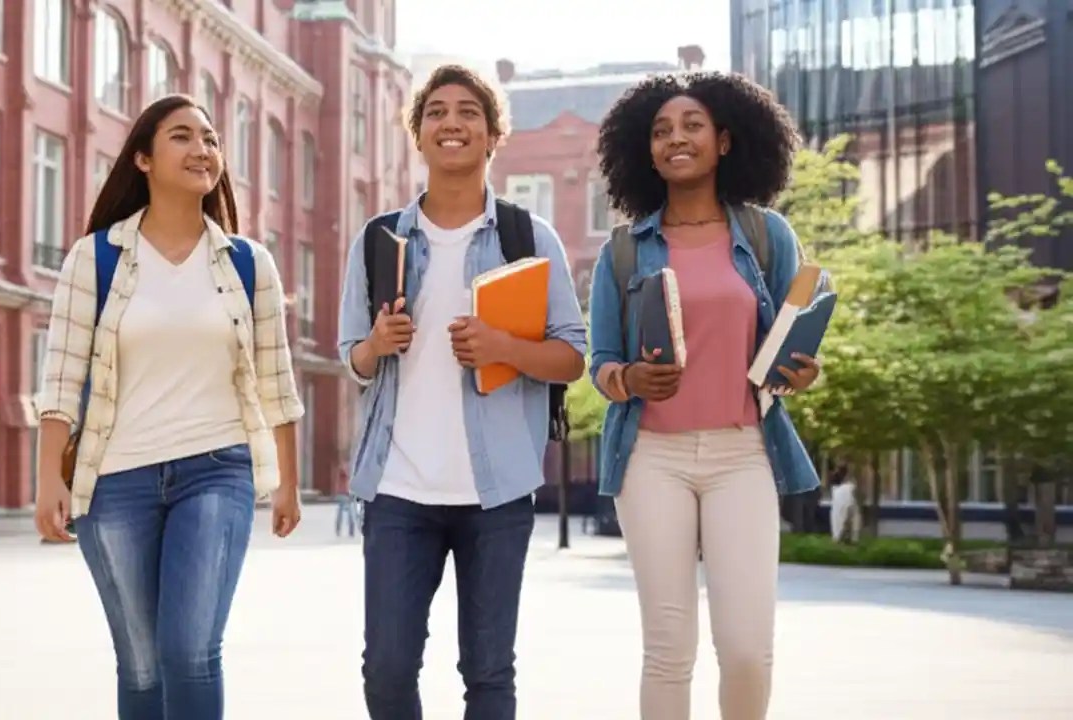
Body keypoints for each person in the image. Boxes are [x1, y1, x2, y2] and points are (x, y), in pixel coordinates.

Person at [33, 94, 304, 720]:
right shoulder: (94, 257)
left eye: (210, 139)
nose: (203, 149)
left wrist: (287, 483)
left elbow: (276, 379)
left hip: (217, 470)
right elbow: (62, 374)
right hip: (115, 480)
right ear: (144, 159)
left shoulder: (246, 263)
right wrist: (49, 475)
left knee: (190, 651)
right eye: (182, 137)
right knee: (142, 663)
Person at [336, 64, 587, 720]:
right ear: (417, 136)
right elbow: (351, 360)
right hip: (398, 490)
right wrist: (376, 345)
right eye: (437, 111)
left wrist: (505, 349)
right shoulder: (377, 241)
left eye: (469, 111)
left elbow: (572, 359)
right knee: (387, 671)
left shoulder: (529, 239)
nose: (452, 122)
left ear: (492, 134)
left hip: (497, 491)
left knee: (489, 673)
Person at [588, 71, 823, 720]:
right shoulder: (622, 251)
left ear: (725, 141)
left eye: (692, 126)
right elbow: (599, 361)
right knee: (668, 648)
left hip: (742, 451)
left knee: (747, 646)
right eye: (661, 130)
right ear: (647, 151)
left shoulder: (767, 234)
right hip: (651, 458)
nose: (675, 138)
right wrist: (628, 380)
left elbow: (787, 345)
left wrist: (802, 370)